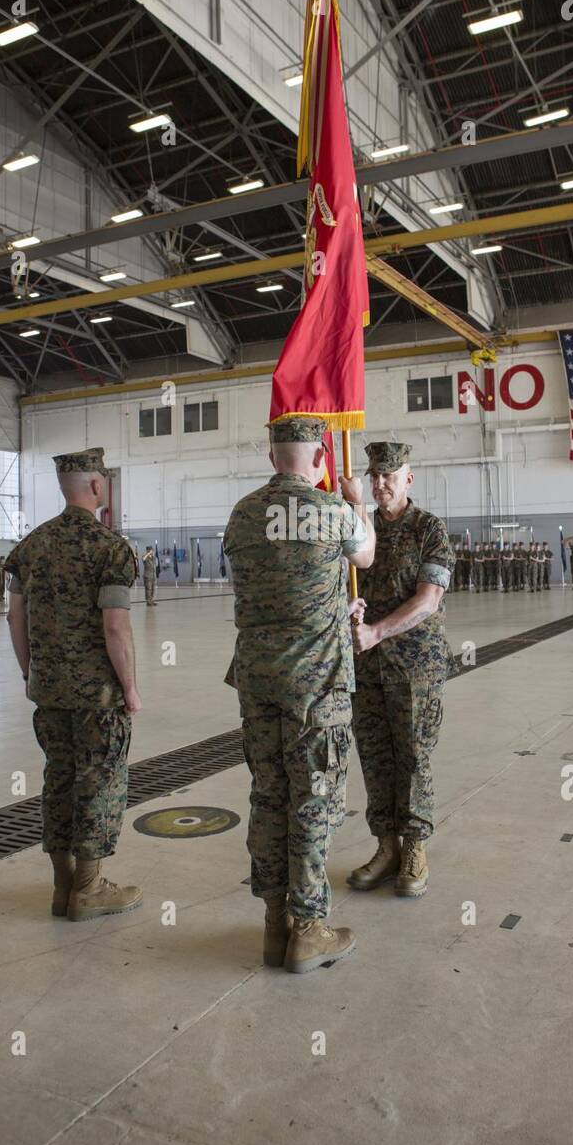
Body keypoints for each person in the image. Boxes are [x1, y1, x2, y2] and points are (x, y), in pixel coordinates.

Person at [223, 416, 375, 974]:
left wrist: (335, 609)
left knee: (269, 795)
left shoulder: (241, 514)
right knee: (313, 799)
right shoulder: (335, 511)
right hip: (317, 684)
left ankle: (273, 923)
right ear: (320, 459)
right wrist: (358, 503)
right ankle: (309, 927)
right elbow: (365, 558)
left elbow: (278, 585)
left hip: (258, 680)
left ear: (271, 456)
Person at [4, 447, 143, 921]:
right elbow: (115, 628)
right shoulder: (110, 549)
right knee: (99, 781)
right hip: (96, 696)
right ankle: (89, 887)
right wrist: (130, 688)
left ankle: (62, 887)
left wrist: (30, 672)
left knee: (58, 780)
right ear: (99, 487)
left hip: (49, 691)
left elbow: (15, 617)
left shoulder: (31, 546)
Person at [348, 442, 455, 901]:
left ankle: (414, 849)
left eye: (389, 476)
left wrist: (376, 632)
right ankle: (385, 847)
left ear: (409, 479)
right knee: (374, 756)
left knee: (412, 756)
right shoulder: (361, 529)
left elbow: (428, 599)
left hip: (415, 665)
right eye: (374, 476)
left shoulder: (429, 529)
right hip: (367, 668)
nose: (379, 484)